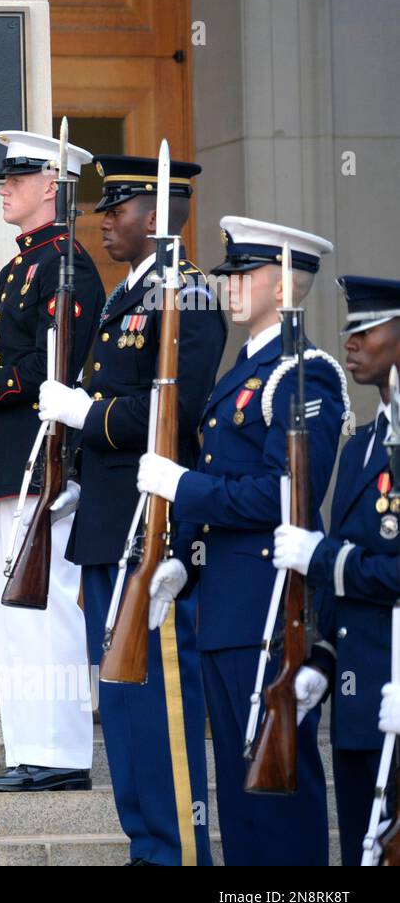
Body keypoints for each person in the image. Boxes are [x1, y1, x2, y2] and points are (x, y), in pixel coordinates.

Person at [39, 154, 226, 865]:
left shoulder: (192, 297)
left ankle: (179, 848)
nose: (103, 221)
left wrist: (88, 414)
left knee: (159, 705)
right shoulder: (127, 295)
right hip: (106, 527)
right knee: (120, 703)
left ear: (155, 216)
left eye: (116, 208)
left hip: (155, 527)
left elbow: (174, 410)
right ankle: (146, 844)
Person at [141, 217, 342, 865]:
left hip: (268, 608)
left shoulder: (303, 375)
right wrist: (180, 557)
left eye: (244, 274)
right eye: (227, 274)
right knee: (239, 787)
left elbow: (285, 494)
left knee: (279, 782)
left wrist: (185, 489)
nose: (228, 285)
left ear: (282, 285)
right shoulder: (244, 371)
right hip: (226, 605)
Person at [0, 130, 105, 790]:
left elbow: (45, 370)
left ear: (51, 188)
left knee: (48, 608)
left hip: (44, 460)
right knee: (13, 615)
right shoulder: (20, 267)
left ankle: (60, 754)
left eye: (18, 177)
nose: (3, 186)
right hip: (7, 463)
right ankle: (30, 747)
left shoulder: (69, 266)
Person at [273, 275, 400, 865]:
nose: (350, 343)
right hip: (358, 703)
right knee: (358, 852)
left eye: (365, 330)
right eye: (347, 331)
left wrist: (321, 557)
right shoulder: (361, 445)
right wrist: (323, 658)